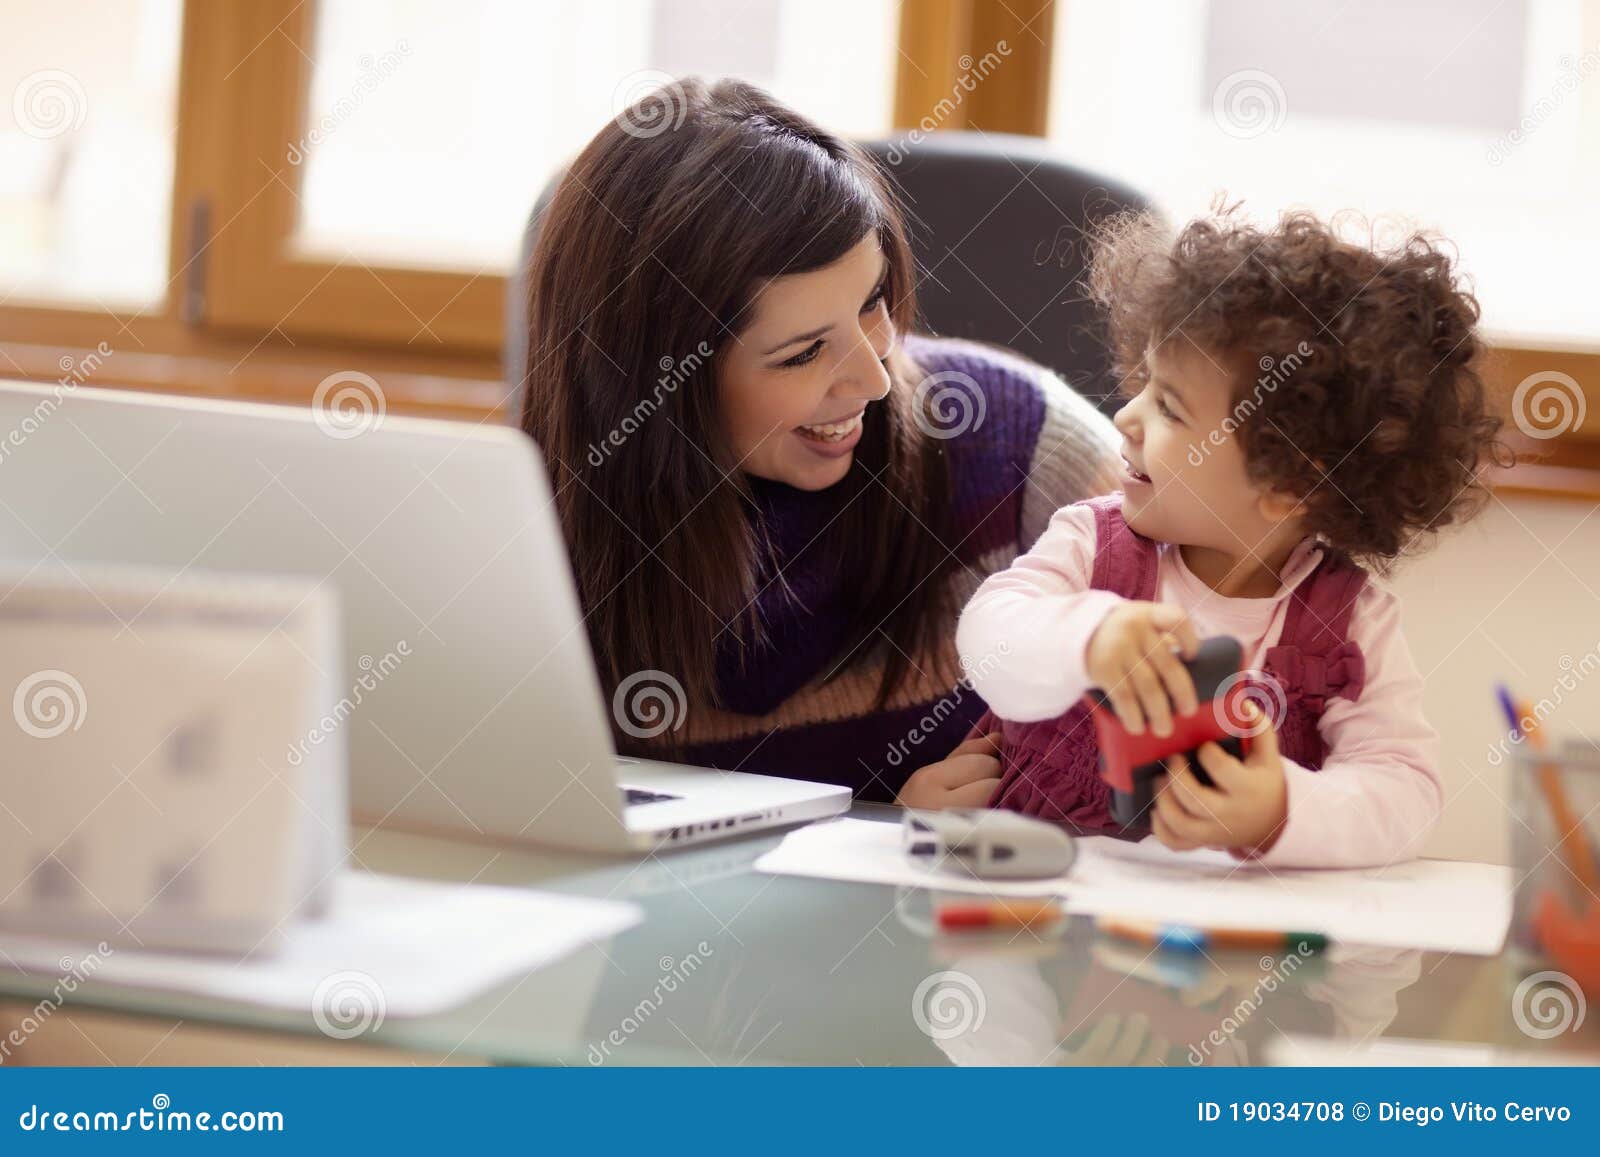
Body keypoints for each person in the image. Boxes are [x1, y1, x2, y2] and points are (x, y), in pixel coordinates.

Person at [520, 77, 1119, 802]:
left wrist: (1027, 806)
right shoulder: (527, 534)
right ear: (657, 383)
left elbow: (1228, 725)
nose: (873, 378)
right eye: (804, 352)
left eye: (873, 302)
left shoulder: (1027, 446)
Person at [953, 207, 1511, 865]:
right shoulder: (1091, 543)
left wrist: (1280, 808)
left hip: (1234, 955)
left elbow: (1405, 791)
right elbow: (988, 636)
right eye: (1144, 386)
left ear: (1286, 488)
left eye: (1169, 406)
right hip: (1043, 931)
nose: (1126, 417)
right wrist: (1088, 637)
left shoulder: (1350, 626)